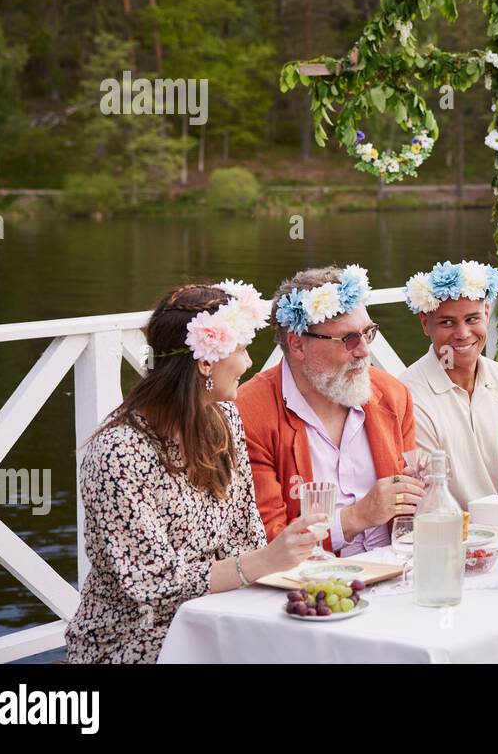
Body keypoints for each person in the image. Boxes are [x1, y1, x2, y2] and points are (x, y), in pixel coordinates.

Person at [66, 282, 318, 663]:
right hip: (136, 641)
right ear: (205, 361)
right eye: (241, 348)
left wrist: (275, 565)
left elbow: (244, 534)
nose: (249, 363)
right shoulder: (119, 452)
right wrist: (267, 561)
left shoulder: (224, 417)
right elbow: (155, 585)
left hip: (220, 615)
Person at [238, 264, 423, 556]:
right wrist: (356, 517)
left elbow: (411, 512)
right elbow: (265, 540)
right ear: (297, 345)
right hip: (309, 587)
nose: (364, 351)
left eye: (368, 333)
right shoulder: (249, 413)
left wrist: (424, 495)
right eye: (348, 339)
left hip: (397, 571)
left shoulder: (392, 395)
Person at [398, 260, 498, 508]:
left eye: (472, 319)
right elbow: (429, 503)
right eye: (447, 322)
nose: (462, 334)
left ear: (486, 313)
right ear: (424, 323)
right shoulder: (409, 396)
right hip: (446, 534)